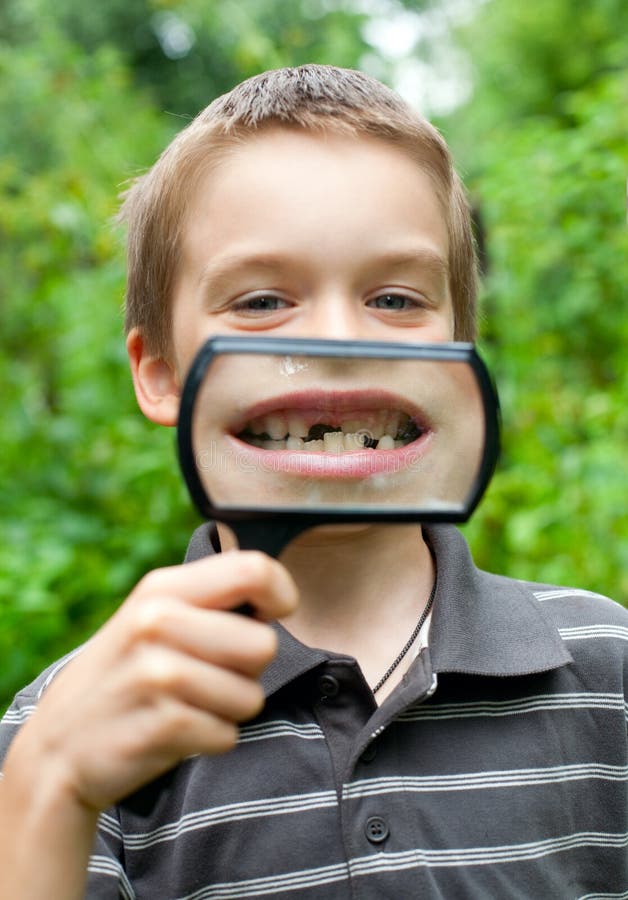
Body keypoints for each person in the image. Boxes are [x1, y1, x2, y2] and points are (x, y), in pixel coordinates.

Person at [0, 65, 626, 899]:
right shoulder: (74, 730)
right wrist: (49, 791)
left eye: (396, 298)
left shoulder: (608, 670)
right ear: (159, 373)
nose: (338, 339)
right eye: (261, 300)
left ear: (460, 357)